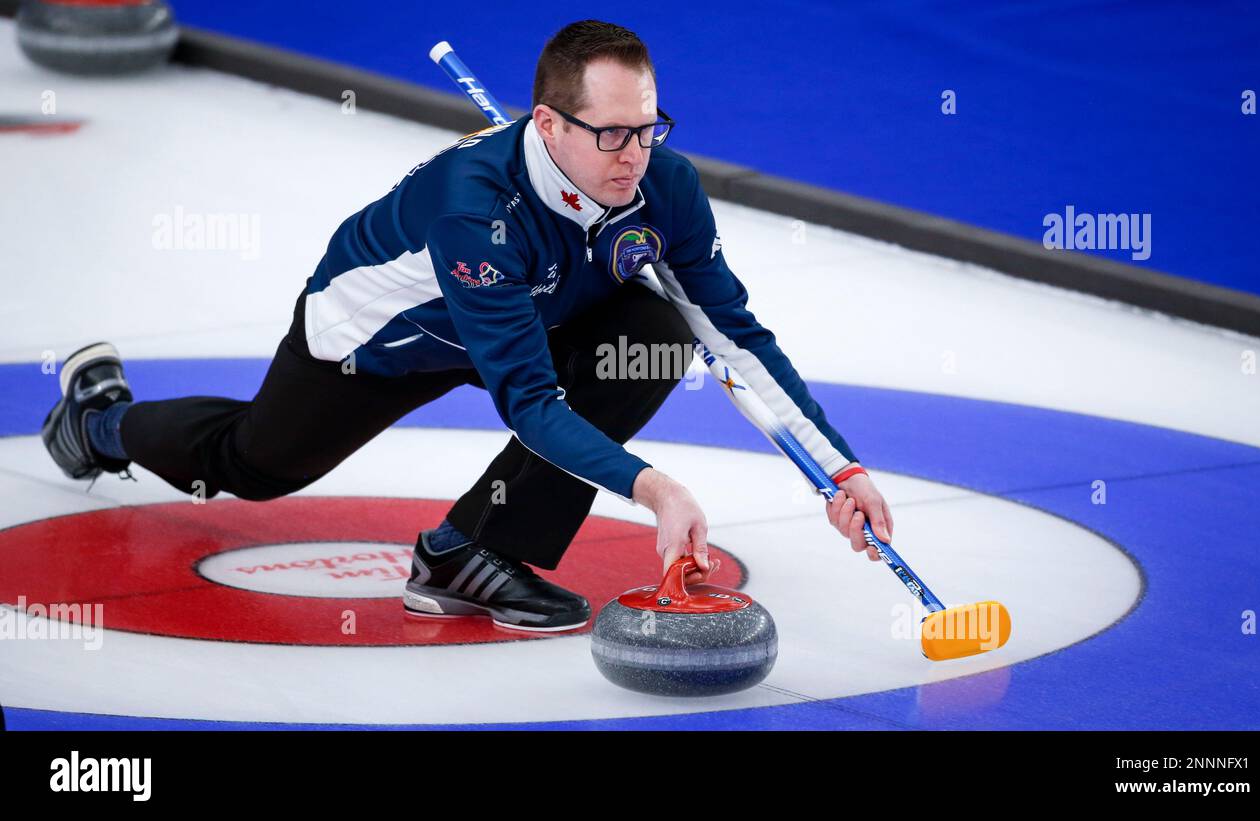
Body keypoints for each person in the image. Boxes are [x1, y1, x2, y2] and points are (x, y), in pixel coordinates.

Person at [41, 19, 894, 634]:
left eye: (648, 127)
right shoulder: (473, 211)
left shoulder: (662, 184)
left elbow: (733, 331)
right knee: (254, 464)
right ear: (549, 126)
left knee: (658, 327)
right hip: (384, 338)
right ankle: (98, 419)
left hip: (537, 304)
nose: (635, 154)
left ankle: (466, 554)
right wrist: (654, 488)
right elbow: (529, 399)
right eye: (611, 134)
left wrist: (838, 465)